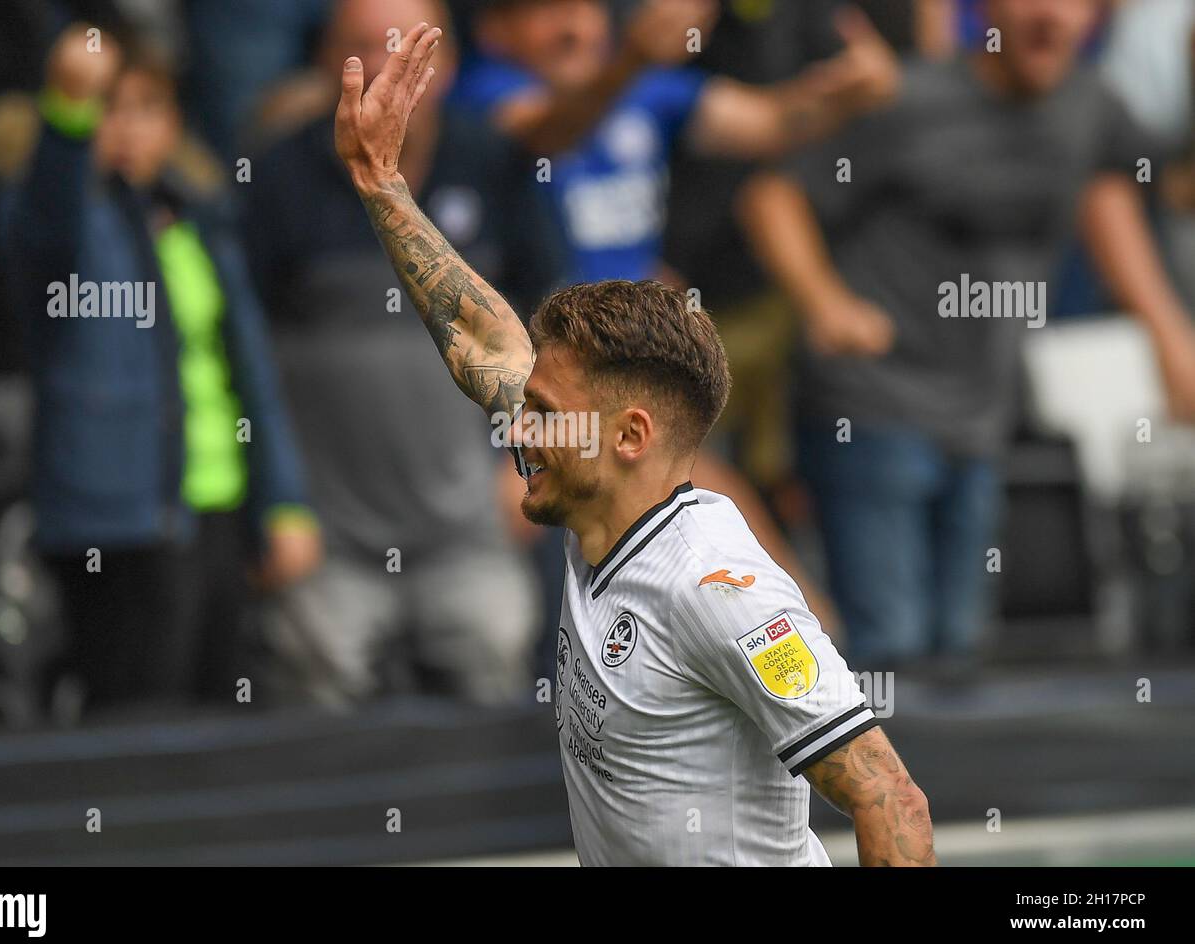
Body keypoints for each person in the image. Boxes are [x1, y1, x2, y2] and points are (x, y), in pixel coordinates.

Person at [333, 23, 935, 865]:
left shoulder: (717, 587)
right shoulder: (592, 488)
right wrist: (381, 182)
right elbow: (487, 340)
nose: (519, 428)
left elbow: (892, 801)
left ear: (630, 435)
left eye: (542, 412)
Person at [740, 0, 1195, 670]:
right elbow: (770, 196)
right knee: (888, 655)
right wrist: (825, 302)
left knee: (959, 656)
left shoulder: (1088, 104)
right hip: (873, 406)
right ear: (988, 10)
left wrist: (1169, 337)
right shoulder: (909, 98)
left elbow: (1120, 191)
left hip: (982, 420)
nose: (1051, 16)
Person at [243, 0, 563, 707]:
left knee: (495, 641)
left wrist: (535, 459)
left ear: (447, 65)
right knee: (313, 666)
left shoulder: (496, 163)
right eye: (360, 48)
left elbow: (558, 329)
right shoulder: (276, 178)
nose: (386, 70)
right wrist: (276, 500)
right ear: (327, 63)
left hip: (468, 523)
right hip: (330, 530)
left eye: (405, 48)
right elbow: (242, 349)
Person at [0, 26, 322, 711]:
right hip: (117, 525)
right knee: (136, 730)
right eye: (110, 107)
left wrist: (283, 500)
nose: (128, 127)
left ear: (174, 122)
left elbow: (250, 373)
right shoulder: (55, 217)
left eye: (148, 107)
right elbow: (49, 218)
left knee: (218, 725)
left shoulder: (198, 220)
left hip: (215, 510)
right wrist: (67, 110)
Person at [447, 0, 901, 283]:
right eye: (545, 9)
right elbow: (550, 134)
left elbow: (772, 123)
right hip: (536, 339)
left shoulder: (650, 90)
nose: (572, 26)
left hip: (631, 332)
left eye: (582, 5)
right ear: (495, 31)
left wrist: (845, 91)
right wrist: (630, 61)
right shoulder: (485, 92)